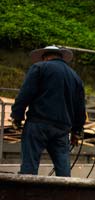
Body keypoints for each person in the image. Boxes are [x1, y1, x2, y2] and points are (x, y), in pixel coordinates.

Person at [11, 45, 86, 177]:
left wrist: (17, 116)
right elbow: (80, 107)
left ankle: (27, 193)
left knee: (30, 165)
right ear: (61, 57)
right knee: (63, 168)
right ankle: (65, 194)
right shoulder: (75, 77)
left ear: (45, 57)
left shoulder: (40, 68)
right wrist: (77, 130)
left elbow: (25, 94)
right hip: (62, 129)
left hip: (38, 123)